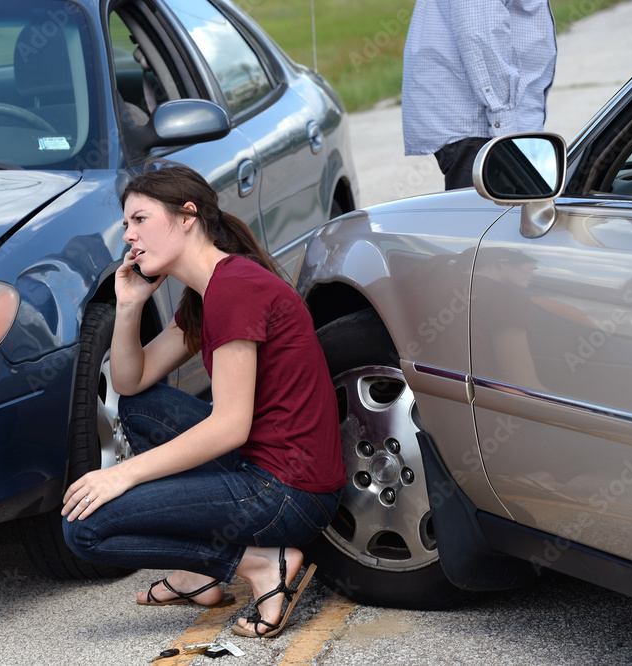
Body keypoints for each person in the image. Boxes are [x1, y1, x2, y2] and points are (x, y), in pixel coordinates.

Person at [60, 162, 346, 638]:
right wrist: (129, 305)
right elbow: (132, 383)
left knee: (84, 528)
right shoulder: (209, 289)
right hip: (267, 468)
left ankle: (258, 563)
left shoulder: (234, 290)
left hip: (288, 494)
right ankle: (199, 575)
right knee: (142, 406)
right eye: (126, 224)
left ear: (187, 216)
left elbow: (229, 426)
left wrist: (120, 475)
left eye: (140, 219)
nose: (128, 236)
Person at [402, 0, 557, 190]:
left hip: (488, 124)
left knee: (504, 216)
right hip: (484, 127)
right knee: (490, 217)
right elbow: (478, 32)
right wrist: (503, 125)